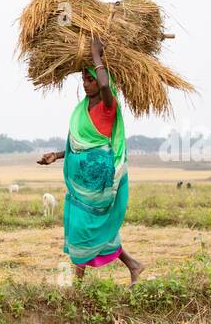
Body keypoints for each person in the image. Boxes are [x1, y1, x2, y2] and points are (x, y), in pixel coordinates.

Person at [37, 34, 144, 284]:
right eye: (83, 79)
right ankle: (133, 265)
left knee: (85, 228)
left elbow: (106, 86)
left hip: (99, 181)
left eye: (90, 79)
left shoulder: (108, 105)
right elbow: (79, 145)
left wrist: (96, 54)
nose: (86, 83)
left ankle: (79, 283)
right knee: (84, 227)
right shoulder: (82, 109)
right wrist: (57, 155)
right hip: (80, 184)